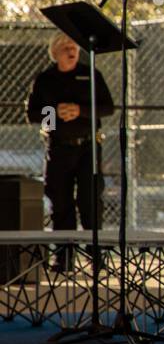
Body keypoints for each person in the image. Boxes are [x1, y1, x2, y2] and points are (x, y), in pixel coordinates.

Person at [26, 33, 115, 270]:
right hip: (58, 149)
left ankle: (96, 257)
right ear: (55, 52)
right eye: (65, 47)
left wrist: (80, 111)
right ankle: (64, 258)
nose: (70, 50)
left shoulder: (91, 74)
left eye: (73, 45)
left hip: (87, 147)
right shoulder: (45, 79)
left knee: (90, 202)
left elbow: (108, 108)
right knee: (61, 203)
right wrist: (55, 113)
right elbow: (32, 114)